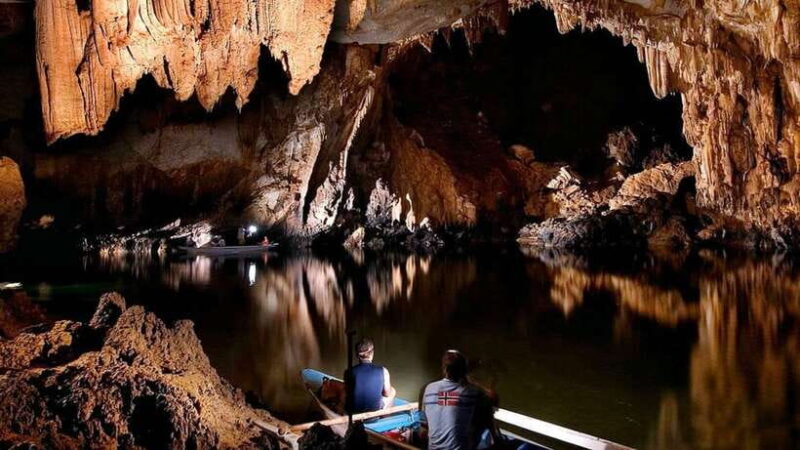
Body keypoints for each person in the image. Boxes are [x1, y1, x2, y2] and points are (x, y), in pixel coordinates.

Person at [421, 350, 501, 450]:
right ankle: (497, 441)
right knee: (483, 413)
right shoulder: (472, 392)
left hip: (432, 448)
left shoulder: (429, 388)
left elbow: (425, 425)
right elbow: (491, 398)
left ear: (444, 368)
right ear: (464, 371)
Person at [344, 338, 396, 414]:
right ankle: (384, 416)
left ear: (357, 355)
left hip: (354, 411)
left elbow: (348, 392)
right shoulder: (383, 371)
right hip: (375, 410)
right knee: (392, 391)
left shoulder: (348, 372)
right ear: (372, 353)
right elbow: (387, 393)